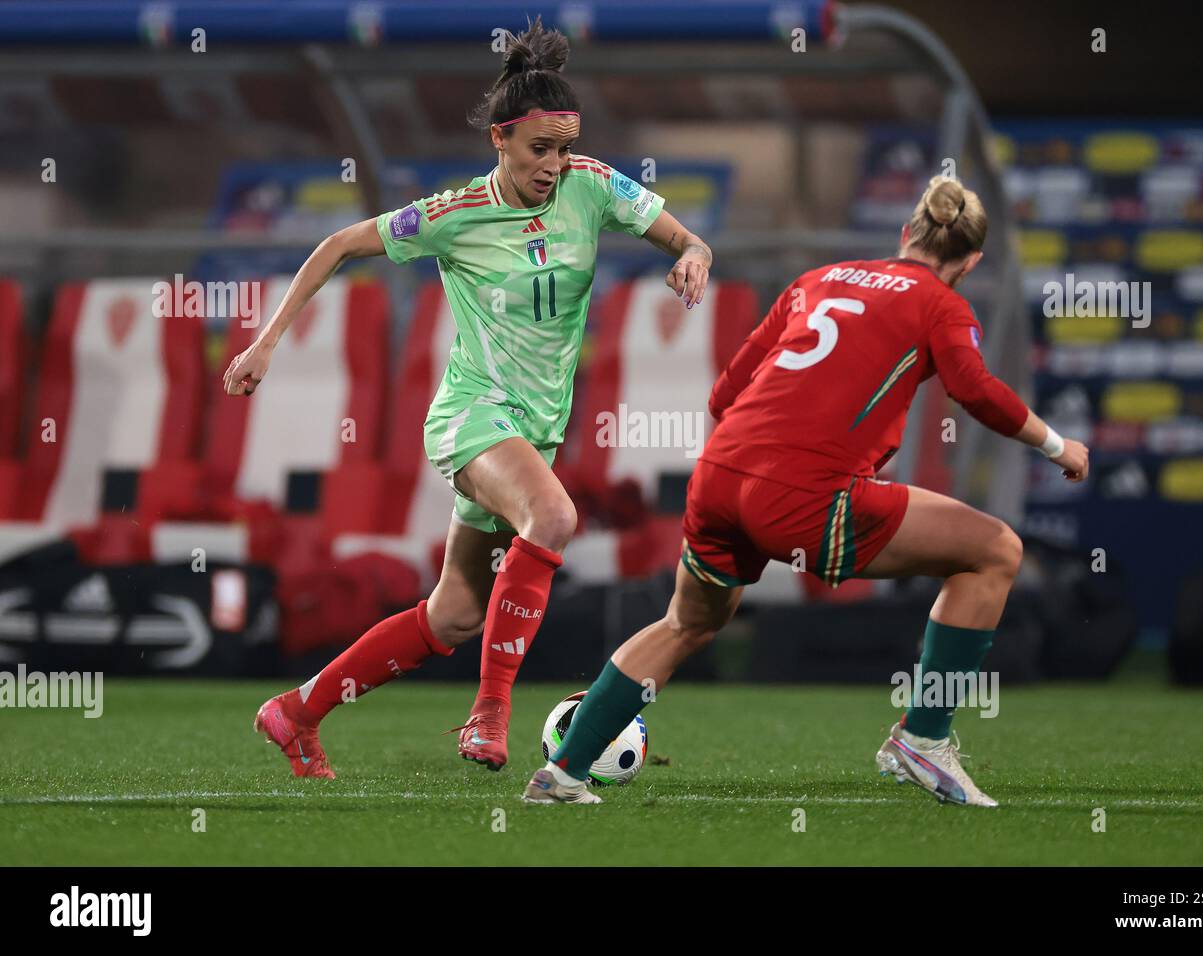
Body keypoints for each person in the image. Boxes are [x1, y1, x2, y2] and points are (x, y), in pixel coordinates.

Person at [228, 18, 713, 778]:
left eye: (562, 147)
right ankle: (489, 714)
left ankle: (296, 711)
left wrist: (693, 258)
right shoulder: (454, 217)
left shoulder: (591, 185)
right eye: (538, 150)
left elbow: (687, 239)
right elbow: (337, 246)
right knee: (554, 516)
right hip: (472, 418)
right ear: (501, 140)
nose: (553, 164)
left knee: (453, 613)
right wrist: (266, 341)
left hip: (535, 432)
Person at [523, 175, 1088, 807]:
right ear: (970, 262)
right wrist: (1056, 445)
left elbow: (723, 396)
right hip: (804, 497)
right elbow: (974, 388)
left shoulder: (820, 279)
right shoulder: (941, 304)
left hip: (718, 479)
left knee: (685, 622)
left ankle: (563, 774)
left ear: (905, 235)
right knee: (996, 551)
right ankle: (923, 737)